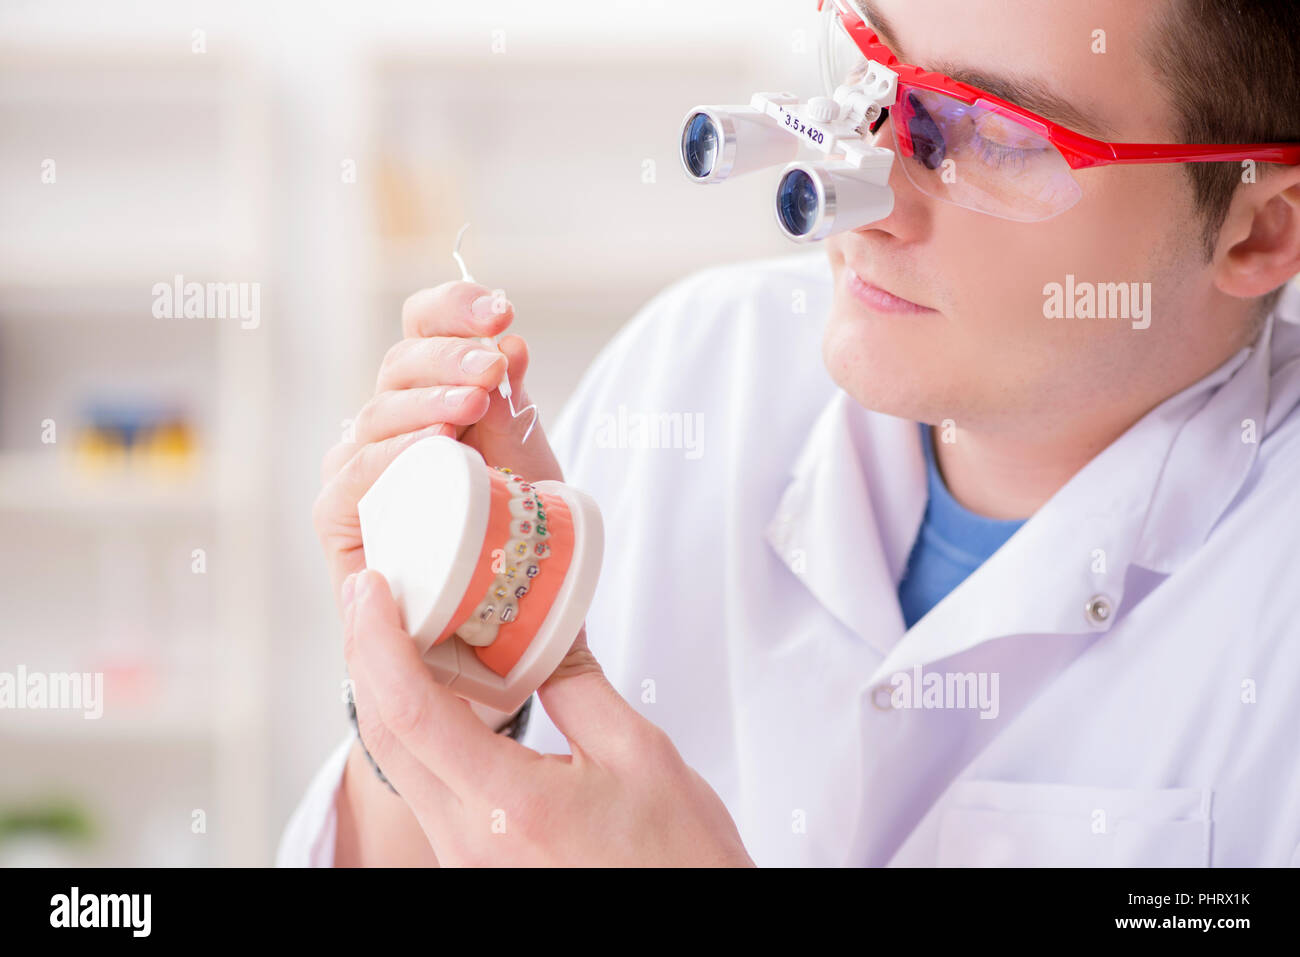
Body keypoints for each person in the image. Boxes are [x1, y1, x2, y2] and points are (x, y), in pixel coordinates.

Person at [278, 0, 1300, 866]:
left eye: (994, 135)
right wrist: (437, 714)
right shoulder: (691, 365)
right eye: (870, 73)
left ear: (1259, 228)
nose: (866, 195)